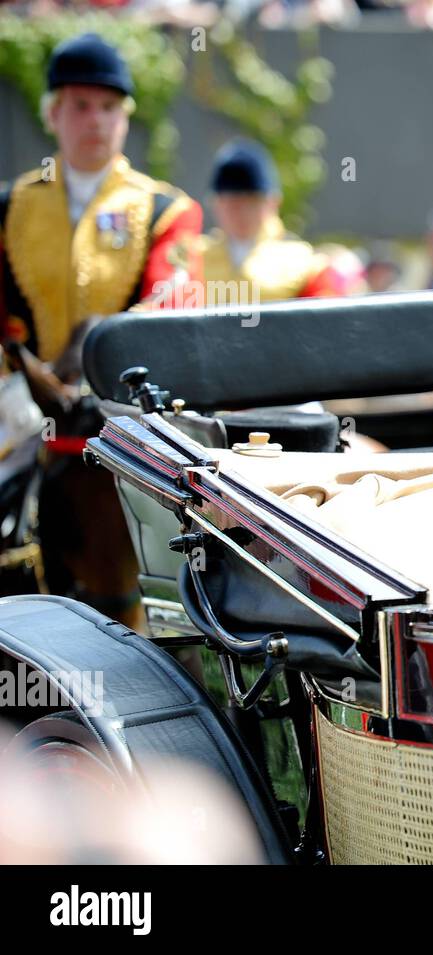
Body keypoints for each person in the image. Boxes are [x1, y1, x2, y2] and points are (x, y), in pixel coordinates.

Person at [0, 33, 204, 628]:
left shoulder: (166, 208)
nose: (97, 121)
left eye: (109, 107)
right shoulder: (10, 205)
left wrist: (106, 360)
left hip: (124, 403)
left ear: (126, 117)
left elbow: (174, 296)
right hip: (23, 399)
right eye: (82, 105)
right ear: (53, 114)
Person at [198, 138, 346, 302]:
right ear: (215, 204)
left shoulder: (303, 265)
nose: (241, 212)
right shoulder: (193, 258)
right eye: (232, 204)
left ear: (273, 202)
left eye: (251, 203)